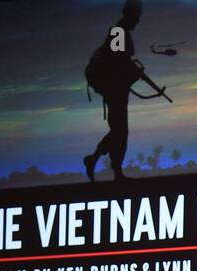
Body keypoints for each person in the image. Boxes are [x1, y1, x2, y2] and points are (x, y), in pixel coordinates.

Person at [84, 0, 144, 182]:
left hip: (116, 88)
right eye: (137, 17)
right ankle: (113, 170)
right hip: (113, 89)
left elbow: (120, 62)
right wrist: (132, 74)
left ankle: (96, 160)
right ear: (130, 16)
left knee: (119, 130)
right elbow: (116, 63)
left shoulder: (121, 33)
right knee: (120, 130)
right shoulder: (119, 33)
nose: (138, 22)